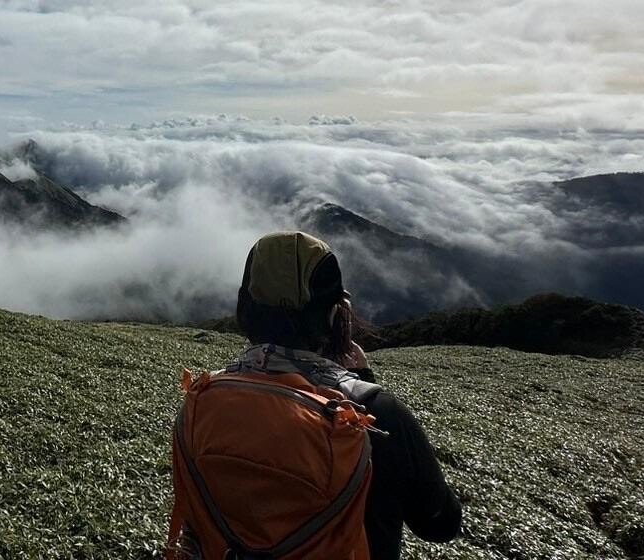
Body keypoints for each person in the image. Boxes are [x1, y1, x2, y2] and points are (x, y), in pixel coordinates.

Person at [169, 231, 461, 560]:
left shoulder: (201, 400)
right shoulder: (375, 414)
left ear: (244, 310)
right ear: (336, 316)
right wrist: (362, 381)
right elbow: (441, 524)